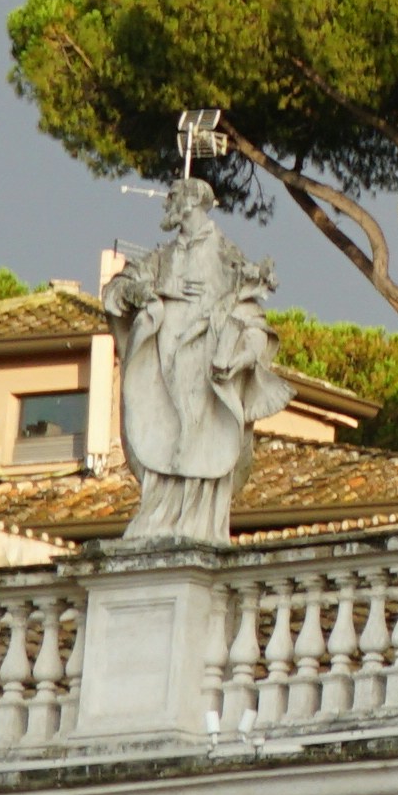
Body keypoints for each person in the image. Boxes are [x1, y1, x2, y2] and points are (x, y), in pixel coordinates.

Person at [108, 120, 305, 545]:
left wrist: (233, 354)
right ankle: (160, 516)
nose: (169, 203)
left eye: (175, 198)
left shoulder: (226, 258)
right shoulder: (160, 260)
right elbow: (117, 293)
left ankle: (196, 522)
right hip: (165, 368)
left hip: (204, 368)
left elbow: (250, 311)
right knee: (167, 445)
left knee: (201, 445)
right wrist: (152, 291)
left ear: (195, 202)